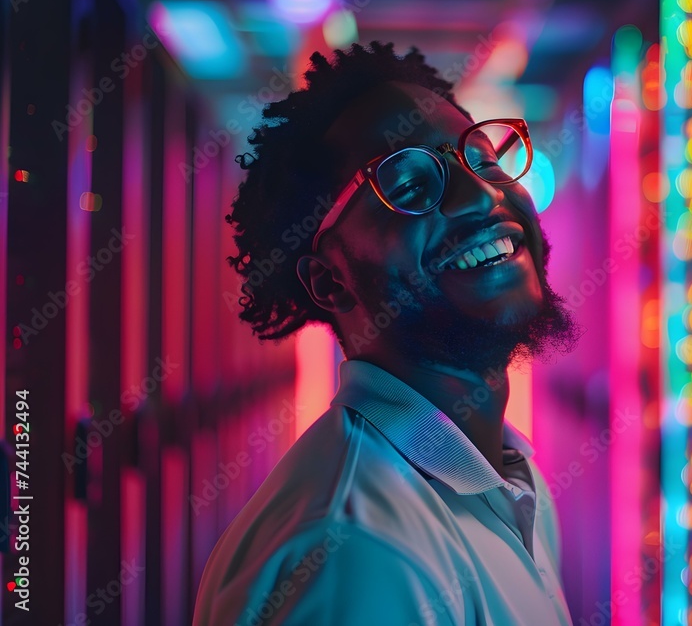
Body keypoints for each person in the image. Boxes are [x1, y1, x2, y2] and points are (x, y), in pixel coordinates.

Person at [193, 41, 580, 625]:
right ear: (332, 282)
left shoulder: (510, 478)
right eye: (408, 185)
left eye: (479, 156)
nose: (481, 194)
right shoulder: (357, 551)